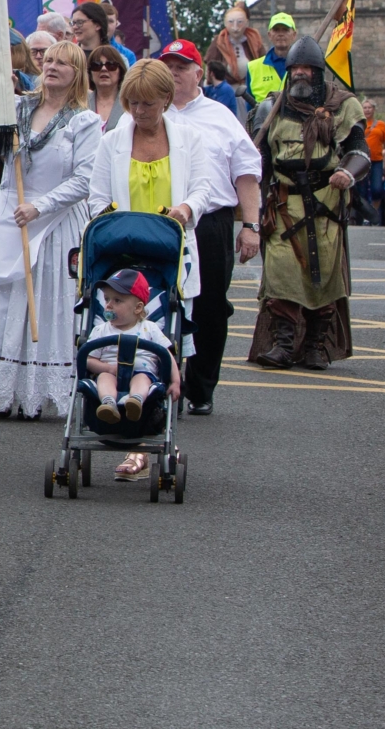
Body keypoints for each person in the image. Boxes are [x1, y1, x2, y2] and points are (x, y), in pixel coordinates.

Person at [0, 39, 99, 420]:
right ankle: (0, 389)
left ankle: (35, 393)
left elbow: (86, 179)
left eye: (62, 63)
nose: (51, 66)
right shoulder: (18, 108)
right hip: (10, 211)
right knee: (5, 298)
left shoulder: (85, 121)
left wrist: (41, 206)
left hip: (53, 219)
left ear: (77, 73)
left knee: (45, 299)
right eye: (48, 60)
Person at [86, 57, 207, 479]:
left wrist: (186, 208)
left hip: (169, 257)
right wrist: (108, 215)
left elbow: (204, 187)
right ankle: (114, 419)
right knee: (115, 342)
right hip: (122, 260)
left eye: (149, 104)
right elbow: (96, 194)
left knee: (159, 343)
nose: (139, 112)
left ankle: (144, 438)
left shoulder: (189, 138)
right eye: (133, 104)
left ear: (167, 99)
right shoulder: (111, 142)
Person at [155, 39, 262, 417]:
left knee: (210, 306)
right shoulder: (149, 113)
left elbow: (247, 173)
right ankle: (158, 382)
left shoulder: (220, 116)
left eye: (182, 66)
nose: (174, 73)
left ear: (199, 72)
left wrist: (251, 226)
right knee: (155, 303)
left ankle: (200, 388)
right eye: (167, 65)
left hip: (210, 222)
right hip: (160, 219)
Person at [250, 36, 369, 371]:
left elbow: (360, 150)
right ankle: (284, 345)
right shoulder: (270, 107)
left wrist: (347, 173)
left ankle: (316, 346)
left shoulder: (342, 106)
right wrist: (251, 209)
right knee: (281, 272)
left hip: (325, 202)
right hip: (285, 204)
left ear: (318, 72)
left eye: (307, 68)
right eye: (295, 68)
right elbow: (260, 163)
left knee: (324, 277)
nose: (300, 73)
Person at [85, 269, 178, 423]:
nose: (108, 305)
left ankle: (135, 401)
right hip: (111, 371)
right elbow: (88, 359)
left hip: (142, 371)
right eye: (107, 299)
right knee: (104, 378)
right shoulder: (101, 330)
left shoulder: (149, 328)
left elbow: (167, 355)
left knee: (142, 379)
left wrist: (175, 381)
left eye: (117, 301)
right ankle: (108, 403)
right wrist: (106, 368)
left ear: (138, 308)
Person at [246, 12, 297, 108]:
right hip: (264, 122)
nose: (281, 34)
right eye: (276, 30)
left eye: (285, 30)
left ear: (294, 35)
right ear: (269, 35)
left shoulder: (304, 65)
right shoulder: (253, 67)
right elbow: (249, 109)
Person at [206, 4, 264, 82]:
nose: (235, 27)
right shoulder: (219, 41)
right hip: (225, 89)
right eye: (231, 22)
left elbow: (264, 63)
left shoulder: (254, 40)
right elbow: (210, 66)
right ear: (225, 23)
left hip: (250, 88)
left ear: (247, 23)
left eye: (240, 22)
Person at [70, 0, 135, 65]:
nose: (75, 27)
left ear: (97, 25)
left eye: (80, 22)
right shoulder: (67, 56)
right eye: (73, 23)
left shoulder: (118, 60)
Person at [360, 100, 385, 224]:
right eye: (365, 107)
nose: (367, 110)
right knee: (361, 190)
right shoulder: (358, 123)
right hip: (361, 160)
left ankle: (374, 212)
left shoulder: (381, 125)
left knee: (377, 189)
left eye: (369, 107)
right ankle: (364, 216)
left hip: (377, 160)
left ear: (374, 109)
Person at [88, 44, 128, 129]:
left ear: (120, 71)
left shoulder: (130, 103)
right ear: (90, 73)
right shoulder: (81, 103)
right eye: (97, 65)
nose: (103, 69)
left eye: (111, 65)